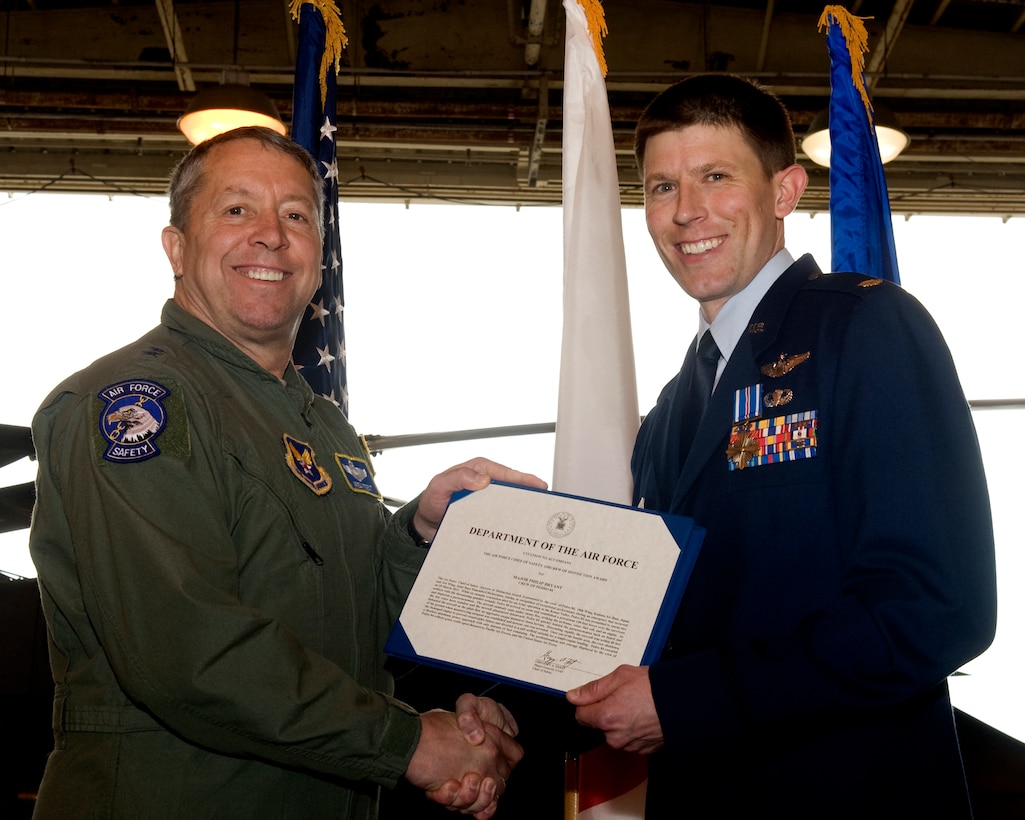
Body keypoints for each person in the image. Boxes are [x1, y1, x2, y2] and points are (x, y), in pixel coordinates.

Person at [28, 125, 546, 820]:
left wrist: (419, 535)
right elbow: (188, 652)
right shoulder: (138, 403)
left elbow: (350, 626)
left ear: (317, 255)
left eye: (296, 215)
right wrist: (410, 744)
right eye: (236, 210)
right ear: (176, 248)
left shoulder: (324, 429)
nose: (271, 235)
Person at [566, 74, 997, 818]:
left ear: (785, 190)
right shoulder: (674, 409)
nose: (686, 212)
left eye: (715, 177)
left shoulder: (864, 331)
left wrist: (688, 701)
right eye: (662, 187)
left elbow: (936, 608)